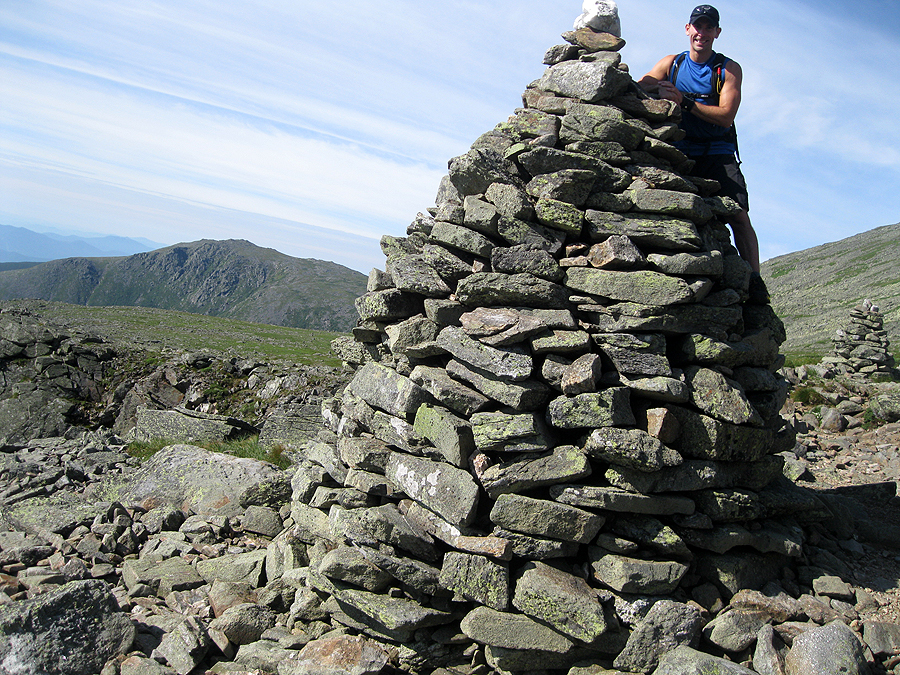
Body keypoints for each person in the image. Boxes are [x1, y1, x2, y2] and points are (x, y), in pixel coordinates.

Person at [638, 4, 760, 274]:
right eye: (697, 26)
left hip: (717, 151)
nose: (701, 32)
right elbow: (639, 85)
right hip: (679, 150)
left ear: (717, 32)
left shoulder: (727, 70)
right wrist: (658, 88)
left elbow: (726, 116)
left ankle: (755, 284)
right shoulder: (672, 63)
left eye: (708, 27)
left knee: (738, 217)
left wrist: (685, 103)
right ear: (687, 29)